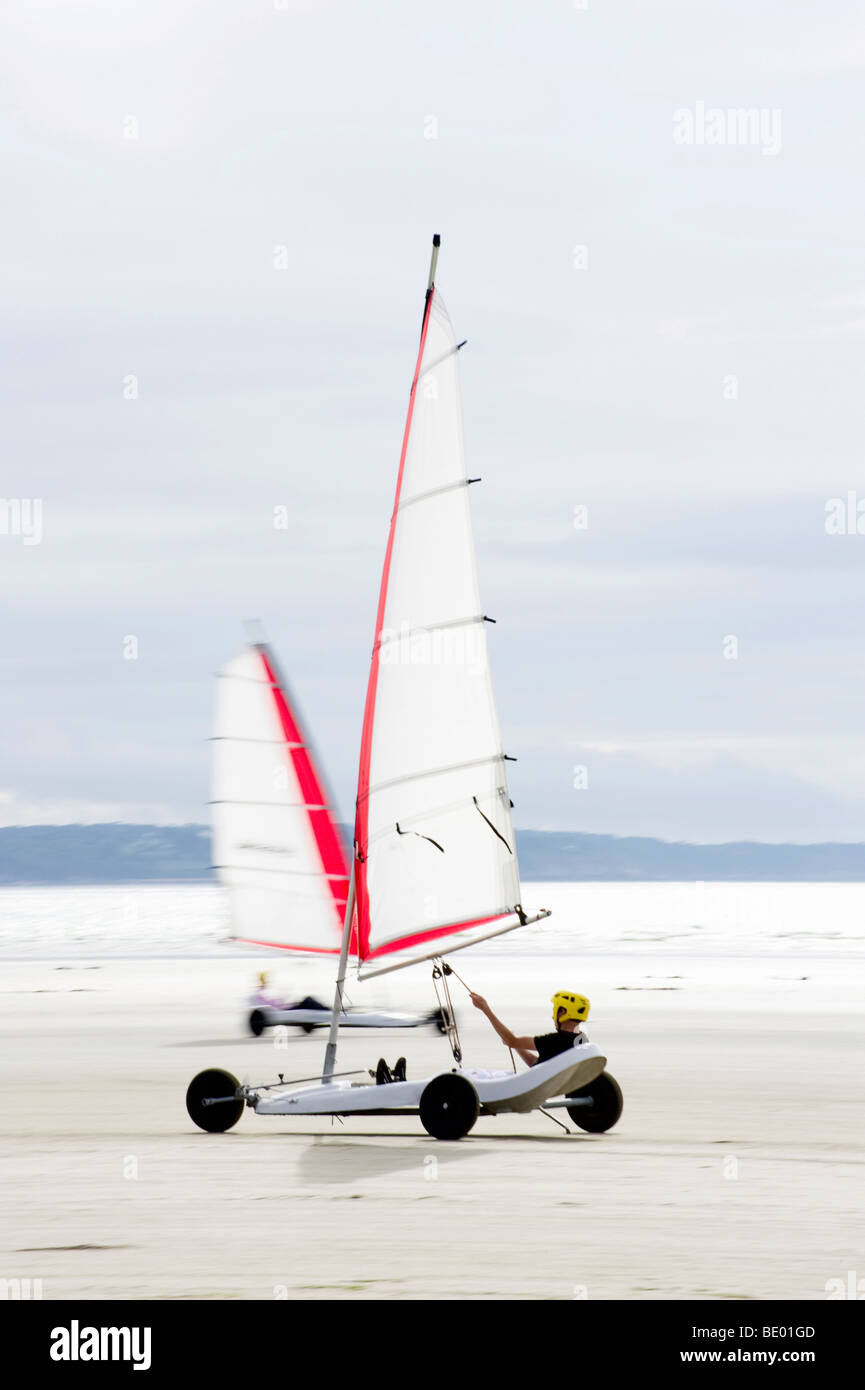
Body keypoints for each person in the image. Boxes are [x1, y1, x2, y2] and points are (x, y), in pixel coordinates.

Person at [470, 989, 590, 1066]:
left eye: (555, 1010)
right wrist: (516, 1046)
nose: (553, 1017)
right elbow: (535, 1064)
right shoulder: (582, 1040)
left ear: (563, 1012)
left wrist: (485, 1009)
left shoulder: (555, 1040)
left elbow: (511, 1040)